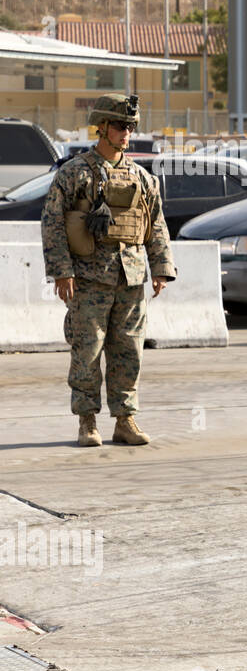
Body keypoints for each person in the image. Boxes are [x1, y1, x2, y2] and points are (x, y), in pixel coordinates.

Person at [40, 94, 175, 446]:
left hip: (130, 278)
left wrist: (160, 268)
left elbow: (155, 224)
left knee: (129, 350)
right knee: (87, 349)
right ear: (101, 127)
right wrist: (62, 271)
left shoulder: (142, 178)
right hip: (88, 278)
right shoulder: (74, 174)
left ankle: (125, 419)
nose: (126, 132)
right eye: (119, 126)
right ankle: (87, 421)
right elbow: (53, 223)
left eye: (130, 126)